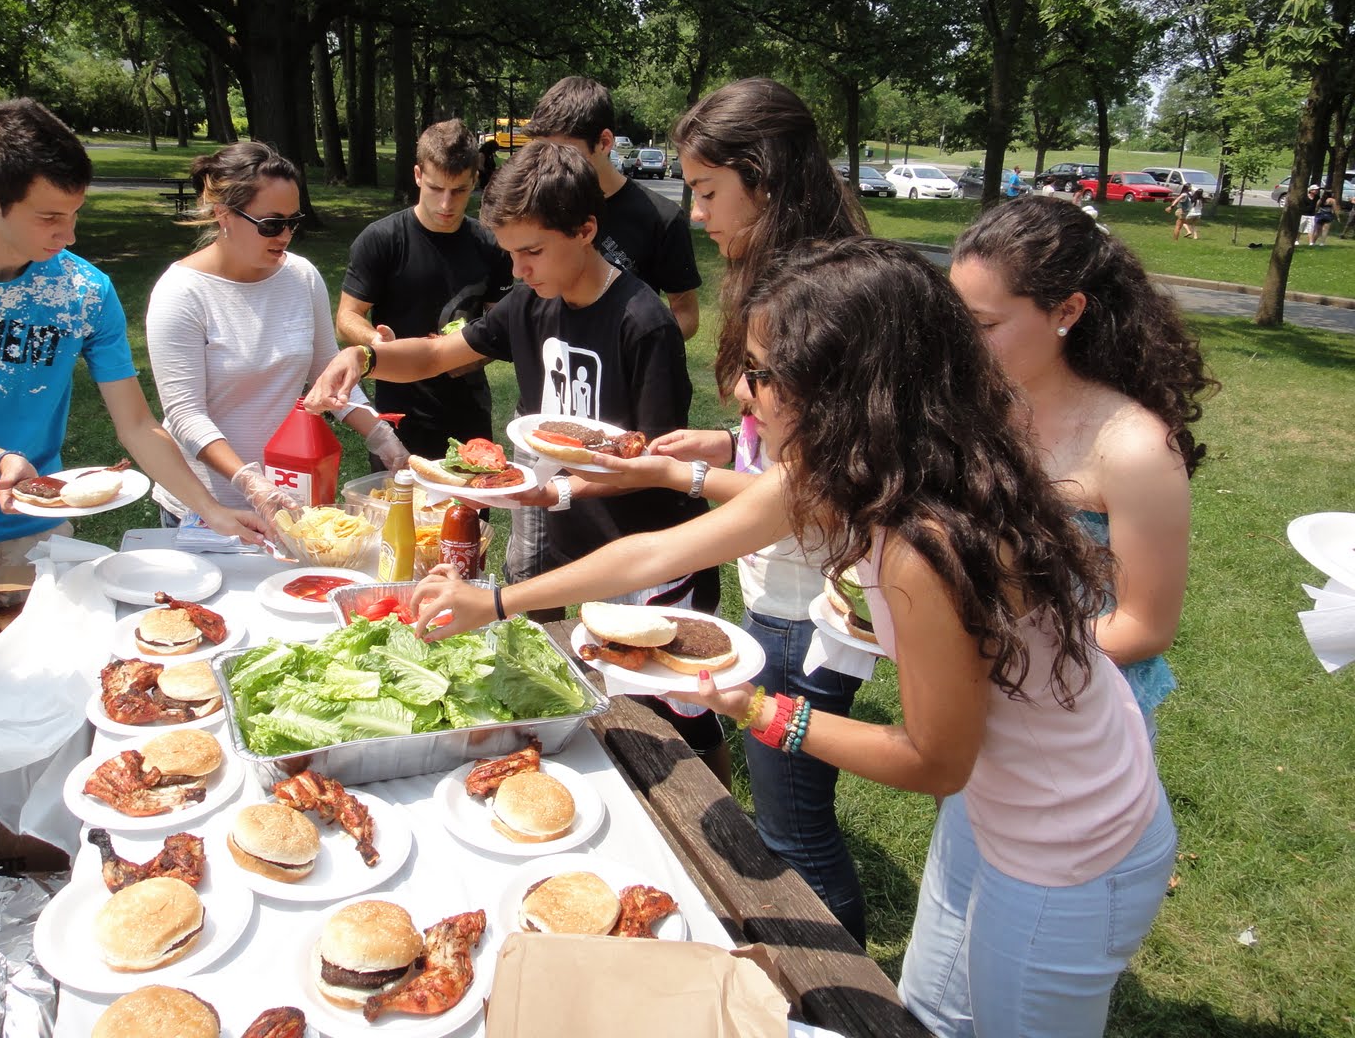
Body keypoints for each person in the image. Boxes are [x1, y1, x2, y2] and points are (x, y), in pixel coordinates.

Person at [411, 239, 1177, 1038]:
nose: (745, 396)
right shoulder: (865, 463)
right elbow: (657, 552)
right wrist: (495, 600)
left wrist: (758, 710)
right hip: (1000, 807)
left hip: (1072, 842)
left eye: (763, 373)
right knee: (932, 1019)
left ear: (840, 386)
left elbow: (933, 760)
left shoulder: (923, 546)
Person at [305, 140, 725, 779]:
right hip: (576, 547)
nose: (519, 269)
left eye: (532, 251)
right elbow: (437, 355)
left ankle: (721, 812)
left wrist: (557, 491)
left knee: (681, 713)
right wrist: (362, 358)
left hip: (651, 561)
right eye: (509, 254)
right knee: (604, 706)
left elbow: (652, 465)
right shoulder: (530, 303)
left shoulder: (643, 323)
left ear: (585, 230)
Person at [576, 76, 871, 942]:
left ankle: (833, 988)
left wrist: (687, 480)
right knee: (783, 798)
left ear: (764, 178)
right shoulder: (788, 275)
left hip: (811, 599)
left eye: (707, 191)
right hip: (784, 583)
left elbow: (818, 493)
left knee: (793, 821)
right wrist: (721, 443)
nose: (696, 214)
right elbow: (786, 441)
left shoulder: (818, 296)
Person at [0, 99, 263, 616]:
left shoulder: (84, 289)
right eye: (48, 218)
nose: (68, 236)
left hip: (36, 525)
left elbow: (137, 424)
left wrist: (209, 509)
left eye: (74, 214)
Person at [950, 197, 1214, 737]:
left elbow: (1144, 626)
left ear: (1067, 311)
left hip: (1080, 717)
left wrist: (988, 652)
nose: (960, 343)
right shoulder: (981, 406)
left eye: (984, 323)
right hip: (976, 700)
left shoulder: (1134, 448)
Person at [145, 142, 407, 523]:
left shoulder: (302, 277)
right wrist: (247, 480)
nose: (285, 235)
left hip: (286, 495)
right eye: (271, 224)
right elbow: (185, 414)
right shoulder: (181, 293)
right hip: (205, 508)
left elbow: (329, 374)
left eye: (292, 221)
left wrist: (381, 436)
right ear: (223, 214)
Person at [335, 120, 513, 467]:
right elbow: (347, 316)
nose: (446, 203)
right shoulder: (382, 240)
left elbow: (503, 325)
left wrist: (473, 353)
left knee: (469, 503)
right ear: (418, 175)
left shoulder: (492, 245)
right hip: (398, 413)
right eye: (435, 188)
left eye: (459, 190)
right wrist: (376, 341)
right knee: (397, 502)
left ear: (475, 180)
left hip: (469, 412)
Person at [524, 76, 702, 340]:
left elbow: (686, 313)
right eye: (542, 152)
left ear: (604, 142)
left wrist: (637, 348)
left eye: (563, 153)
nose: (550, 166)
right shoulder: (539, 206)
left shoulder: (661, 218)